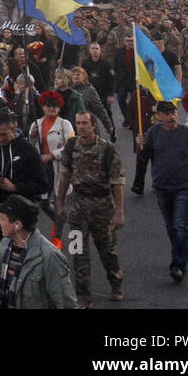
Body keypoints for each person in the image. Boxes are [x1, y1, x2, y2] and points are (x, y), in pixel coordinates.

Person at [138, 100, 188, 283]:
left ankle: (178, 265)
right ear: (159, 117)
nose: (172, 116)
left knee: (180, 226)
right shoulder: (154, 132)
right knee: (171, 226)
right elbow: (144, 158)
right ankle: (178, 251)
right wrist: (140, 144)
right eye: (167, 113)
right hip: (162, 187)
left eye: (173, 112)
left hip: (184, 187)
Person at [55, 111, 125, 308]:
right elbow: (65, 175)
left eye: (85, 123)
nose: (81, 126)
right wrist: (60, 204)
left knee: (107, 249)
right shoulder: (71, 146)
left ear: (93, 125)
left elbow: (117, 182)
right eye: (78, 123)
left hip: (102, 205)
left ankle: (116, 282)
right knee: (78, 251)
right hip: (78, 204)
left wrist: (119, 211)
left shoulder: (107, 149)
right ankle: (83, 296)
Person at [0, 194, 77, 309]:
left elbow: (67, 303)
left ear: (17, 225)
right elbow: (1, 280)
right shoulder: (5, 245)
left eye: (2, 218)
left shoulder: (50, 257)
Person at [0, 110, 48, 281]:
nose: (0, 139)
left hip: (22, 209)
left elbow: (42, 185)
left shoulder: (27, 150)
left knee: (21, 248)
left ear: (14, 127)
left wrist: (15, 187)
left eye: (3, 134)